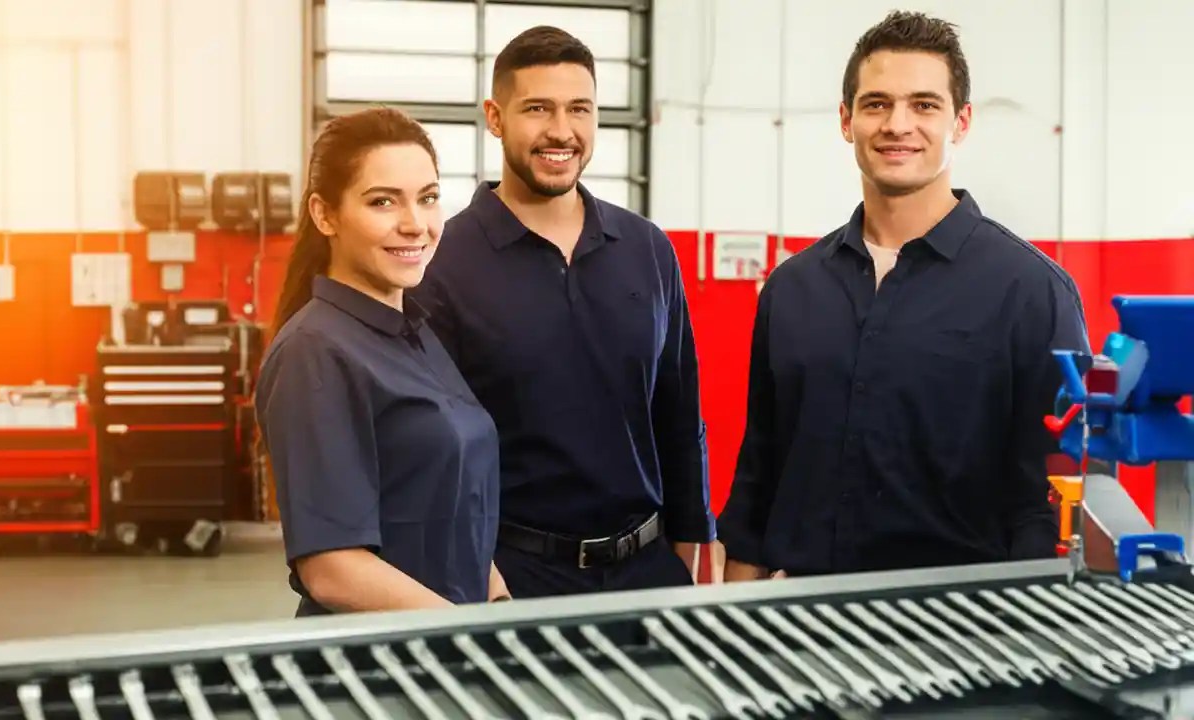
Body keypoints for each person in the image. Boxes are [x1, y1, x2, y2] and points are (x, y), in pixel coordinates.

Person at [718, 11, 1091, 581]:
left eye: (924, 104)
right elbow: (761, 475)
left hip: (963, 632)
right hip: (796, 629)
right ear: (846, 120)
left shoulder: (1033, 293)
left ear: (960, 122)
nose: (897, 124)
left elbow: (1045, 497)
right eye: (876, 104)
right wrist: (733, 629)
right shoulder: (793, 289)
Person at [408, 26, 715, 598]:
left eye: (580, 109)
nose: (561, 131)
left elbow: (678, 407)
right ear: (495, 117)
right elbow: (430, 447)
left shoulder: (648, 248)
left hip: (646, 571)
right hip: (510, 575)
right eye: (537, 109)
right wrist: (468, 568)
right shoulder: (442, 261)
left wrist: (695, 536)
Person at [255, 108, 509, 615]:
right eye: (382, 202)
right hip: (377, 668)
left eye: (428, 198)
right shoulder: (316, 353)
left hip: (452, 654)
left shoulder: (416, 335)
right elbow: (333, 569)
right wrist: (468, 636)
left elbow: (458, 511)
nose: (415, 225)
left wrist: (500, 604)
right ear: (325, 215)